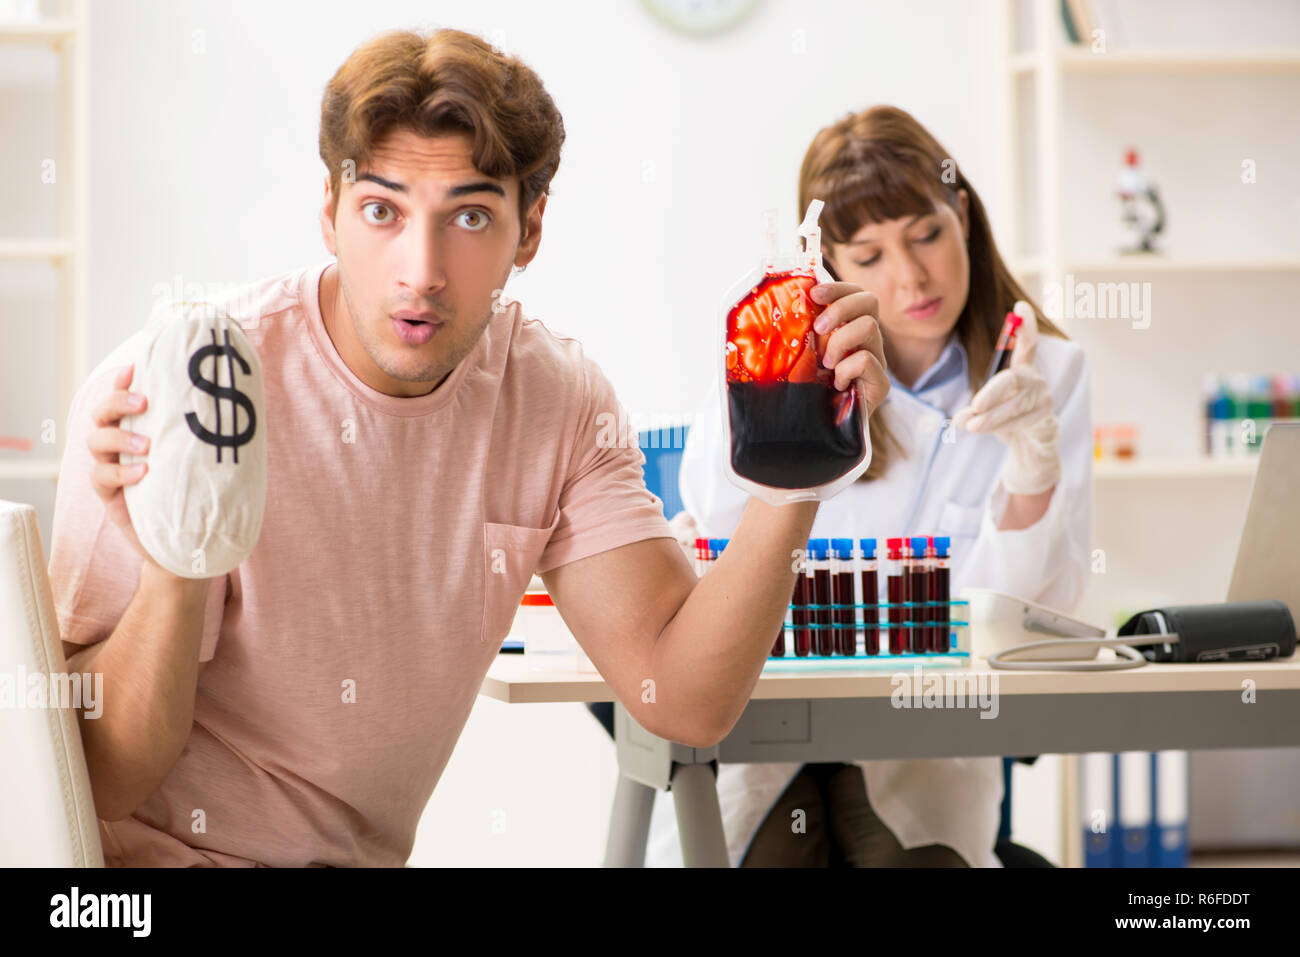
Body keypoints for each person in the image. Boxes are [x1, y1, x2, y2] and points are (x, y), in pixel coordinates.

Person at [47, 28, 890, 867]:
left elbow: (681, 697)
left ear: (529, 232)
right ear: (330, 214)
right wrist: (177, 559)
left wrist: (793, 478)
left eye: (471, 216)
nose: (421, 270)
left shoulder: (554, 400)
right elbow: (96, 782)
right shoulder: (182, 388)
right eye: (382, 210)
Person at [648, 105, 1092, 867]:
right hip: (772, 736)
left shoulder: (1047, 373)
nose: (912, 276)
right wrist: (789, 391)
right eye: (870, 255)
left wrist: (1032, 475)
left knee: (905, 851)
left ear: (962, 216)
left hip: (926, 743)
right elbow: (724, 559)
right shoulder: (781, 349)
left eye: (925, 234)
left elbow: (1025, 623)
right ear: (829, 268)